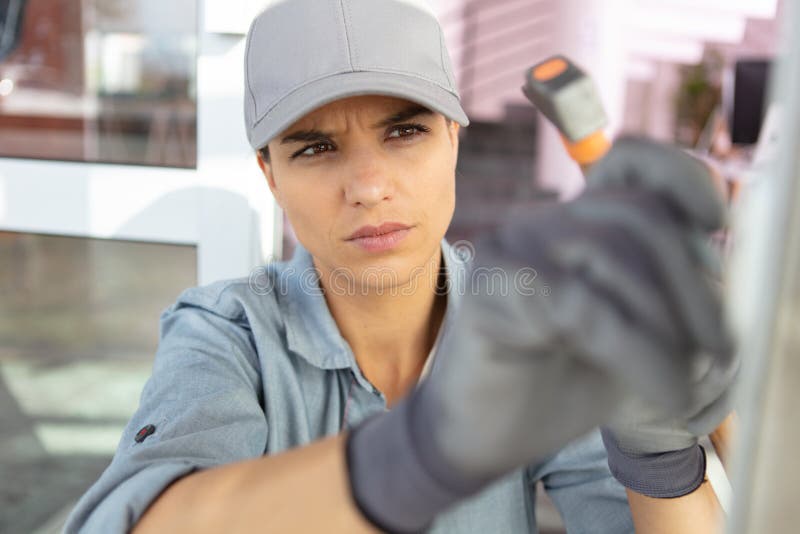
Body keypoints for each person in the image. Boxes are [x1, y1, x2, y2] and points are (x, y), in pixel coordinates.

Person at [64, 1, 736, 532]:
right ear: (269, 175)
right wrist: (420, 451)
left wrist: (659, 459)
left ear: (453, 138)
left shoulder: (530, 319)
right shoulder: (226, 333)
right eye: (315, 148)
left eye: (405, 131)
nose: (368, 185)